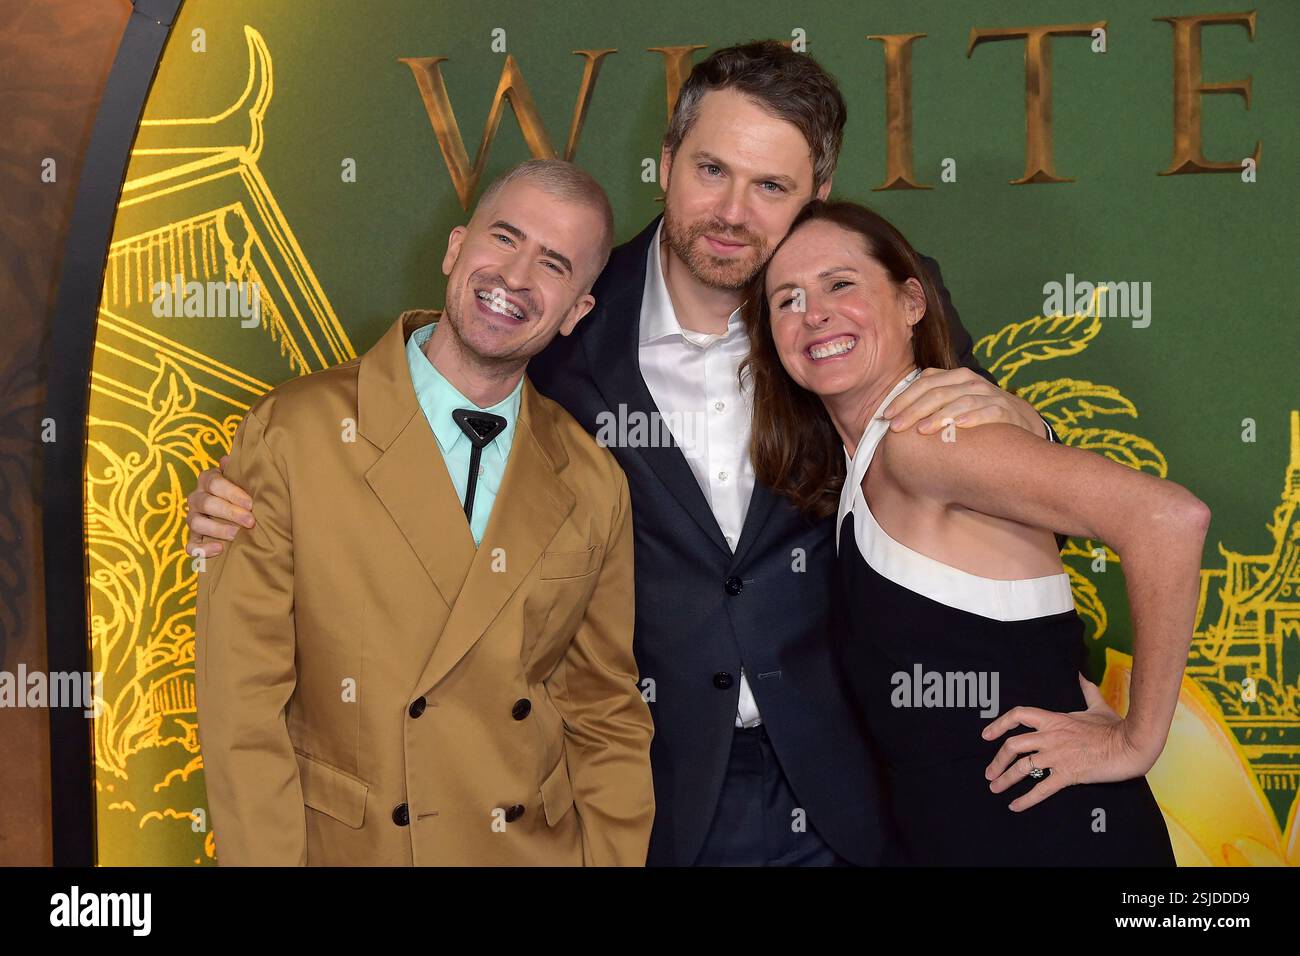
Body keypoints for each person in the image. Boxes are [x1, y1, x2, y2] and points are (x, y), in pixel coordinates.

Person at [188, 42, 1053, 867]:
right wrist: (252, 504)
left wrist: (1025, 424)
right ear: (669, 158)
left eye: (771, 186)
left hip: (847, 792)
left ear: (818, 192)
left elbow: (991, 479)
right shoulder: (563, 313)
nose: (731, 212)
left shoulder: (854, 308)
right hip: (656, 798)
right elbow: (419, 459)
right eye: (712, 170)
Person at [194, 159, 655, 866]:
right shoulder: (293, 432)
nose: (516, 278)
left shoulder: (594, 481)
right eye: (505, 238)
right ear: (454, 248)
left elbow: (604, 710)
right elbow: (242, 706)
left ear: (576, 313)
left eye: (555, 265)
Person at [743, 198, 1205, 865]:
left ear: (911, 303)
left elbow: (1167, 519)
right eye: (786, 299)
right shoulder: (871, 460)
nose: (812, 313)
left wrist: (1136, 739)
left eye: (840, 283)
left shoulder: (922, 443)